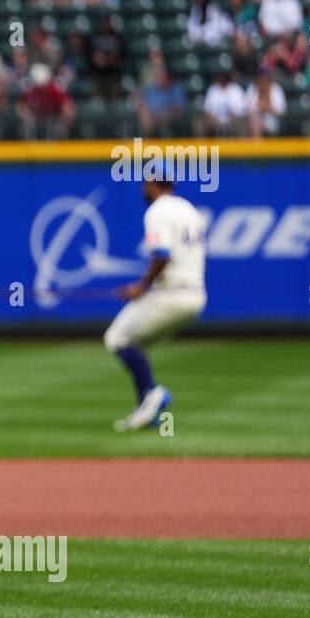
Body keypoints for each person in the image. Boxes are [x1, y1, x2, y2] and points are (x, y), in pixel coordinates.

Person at [104, 176, 207, 432]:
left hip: (170, 295)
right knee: (135, 344)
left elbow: (161, 255)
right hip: (195, 296)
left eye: (145, 183)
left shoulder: (157, 211)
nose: (142, 188)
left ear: (153, 184)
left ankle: (152, 394)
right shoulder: (188, 208)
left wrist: (142, 285)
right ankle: (146, 411)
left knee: (116, 338)